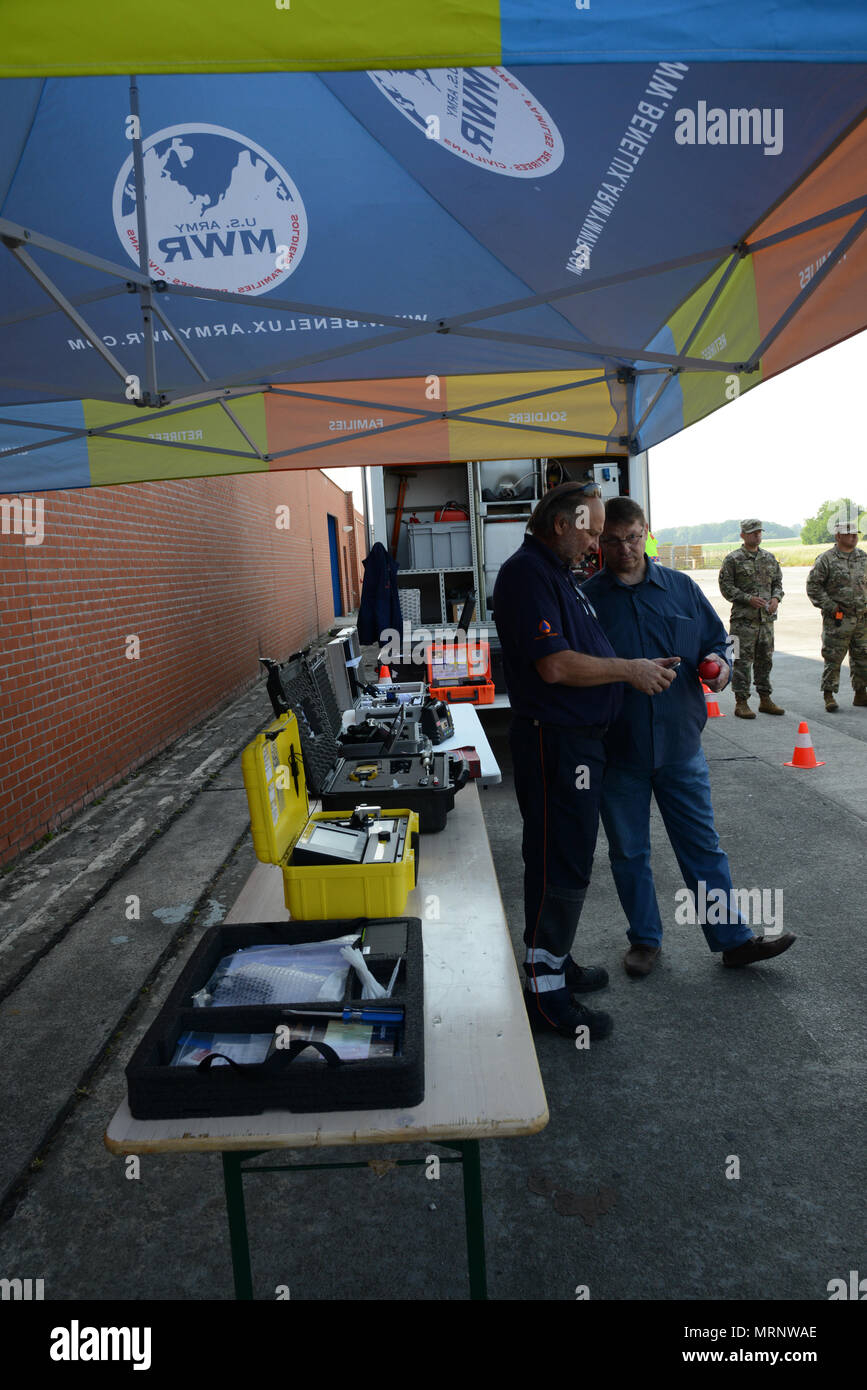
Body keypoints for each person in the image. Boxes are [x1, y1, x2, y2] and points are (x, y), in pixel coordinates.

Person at [493, 484, 678, 1039]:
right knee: (560, 860)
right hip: (557, 742)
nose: (598, 544)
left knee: (563, 854)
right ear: (560, 524)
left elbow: (583, 650)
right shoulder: (528, 574)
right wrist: (630, 671)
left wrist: (635, 664)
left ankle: (553, 960)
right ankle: (547, 997)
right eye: (592, 532)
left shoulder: (555, 574)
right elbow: (554, 666)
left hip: (576, 742)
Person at [582, 497, 796, 977]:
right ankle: (645, 940)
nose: (625, 549)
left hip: (680, 745)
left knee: (702, 846)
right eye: (612, 541)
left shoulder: (680, 588)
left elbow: (718, 641)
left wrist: (720, 666)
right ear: (599, 543)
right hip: (619, 750)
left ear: (646, 533)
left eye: (633, 537)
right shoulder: (587, 601)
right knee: (629, 851)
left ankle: (733, 940)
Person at [718, 520, 785, 718]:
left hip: (766, 621)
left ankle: (765, 699)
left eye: (759, 532)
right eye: (752, 533)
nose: (756, 536)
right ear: (743, 535)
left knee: (765, 660)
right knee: (741, 661)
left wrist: (776, 598)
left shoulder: (769, 558)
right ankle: (741, 702)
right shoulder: (733, 559)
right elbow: (726, 587)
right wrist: (748, 599)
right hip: (742, 621)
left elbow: (778, 583)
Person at [805, 517, 867, 710]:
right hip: (838, 620)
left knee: (863, 657)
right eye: (849, 534)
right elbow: (813, 587)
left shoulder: (863, 557)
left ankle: (860, 693)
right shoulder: (827, 559)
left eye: (855, 534)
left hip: (862, 619)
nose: (853, 538)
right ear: (838, 535)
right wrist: (831, 607)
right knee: (833, 658)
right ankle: (829, 696)